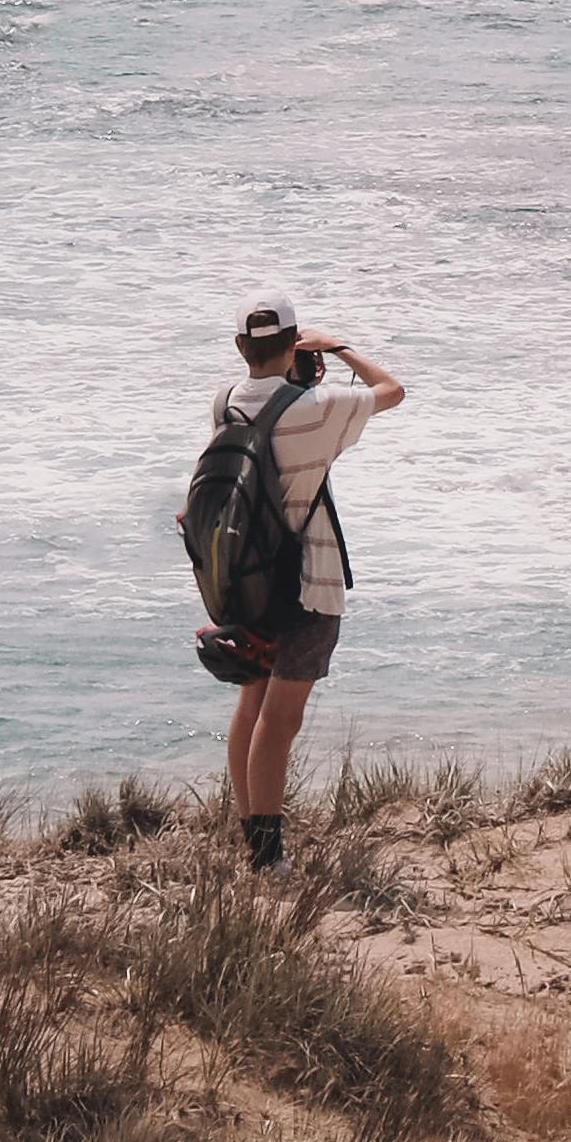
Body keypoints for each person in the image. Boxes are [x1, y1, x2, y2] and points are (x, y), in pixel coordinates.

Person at [204, 290, 404, 871]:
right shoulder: (317, 409)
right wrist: (340, 347)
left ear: (240, 346)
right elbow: (392, 391)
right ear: (294, 344)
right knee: (281, 717)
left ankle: (254, 842)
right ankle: (268, 859)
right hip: (307, 580)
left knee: (251, 707)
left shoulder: (223, 402)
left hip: (245, 577)